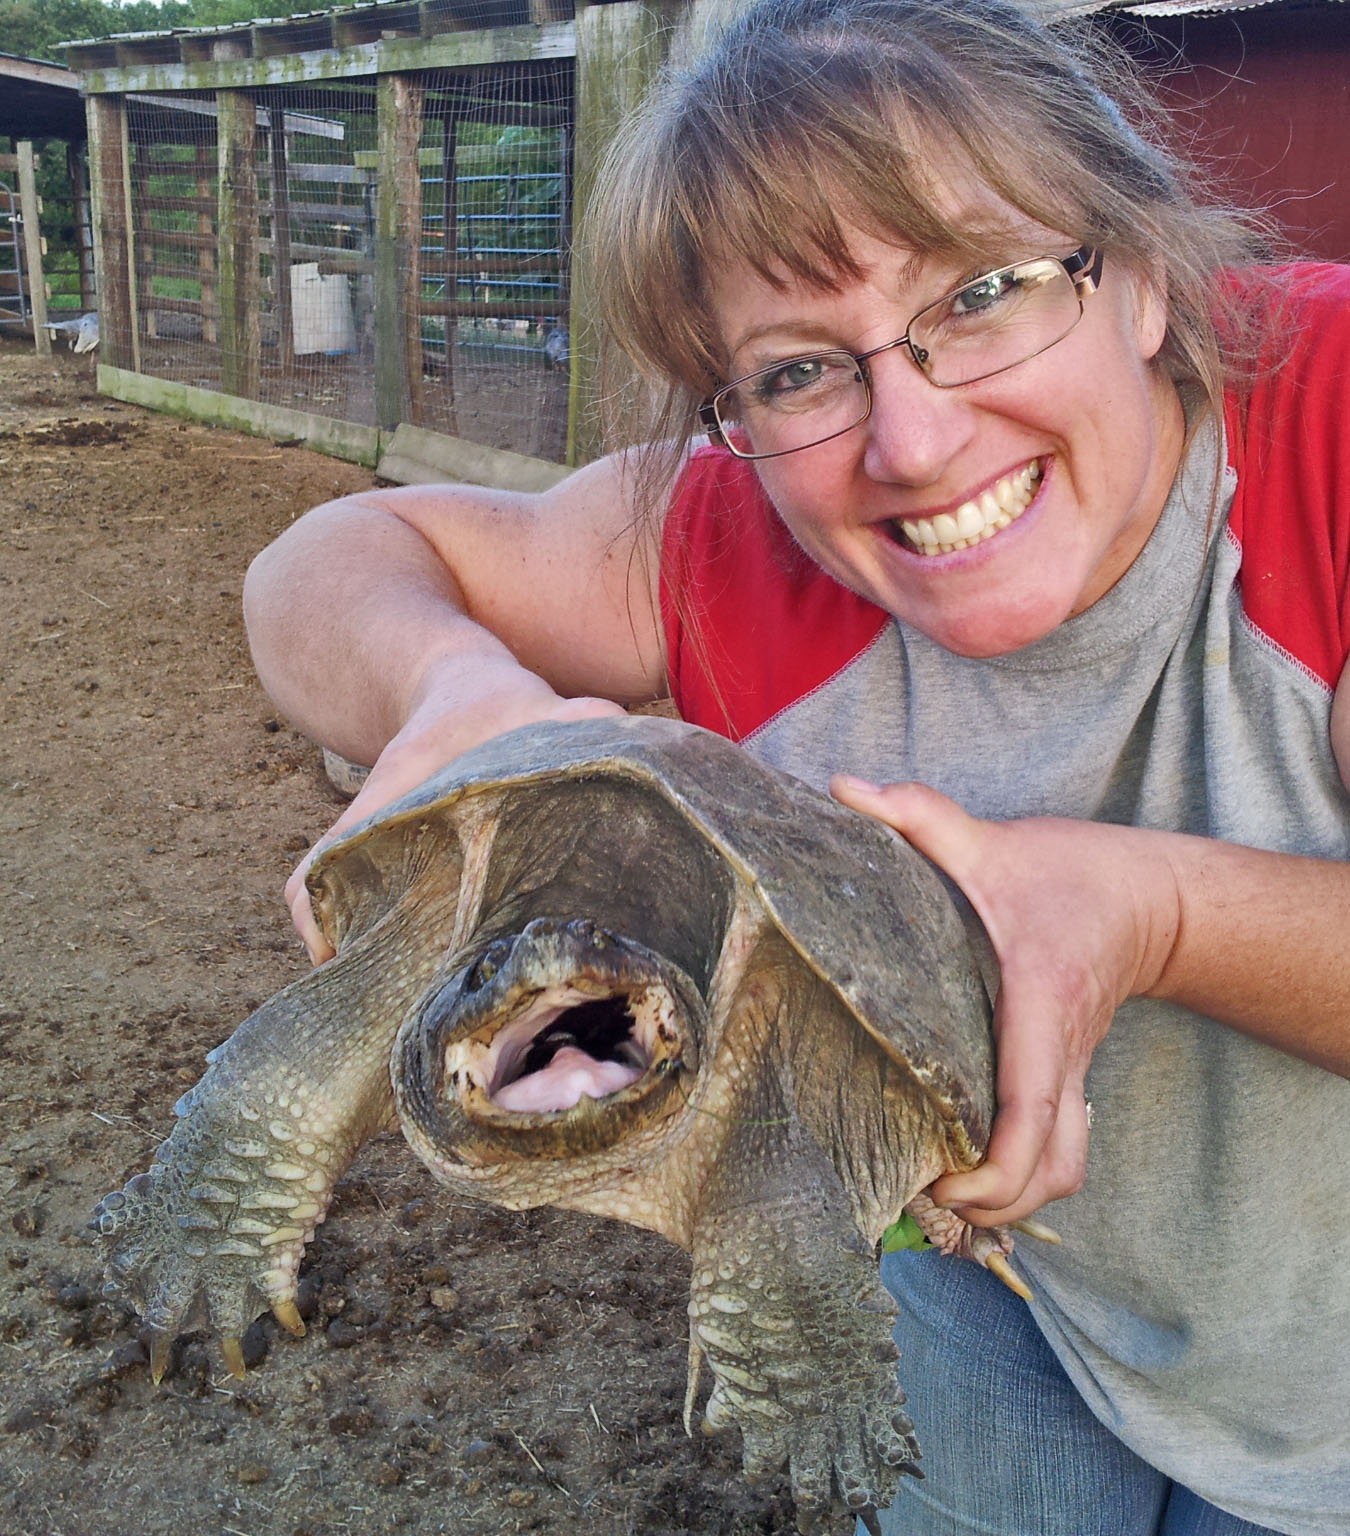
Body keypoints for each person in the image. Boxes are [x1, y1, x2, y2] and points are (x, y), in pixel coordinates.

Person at [242, 1, 1350, 1531]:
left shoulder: (1325, 444)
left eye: (982, 292)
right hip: (1001, 1275)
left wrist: (1155, 917)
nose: (910, 439)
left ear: (1145, 279)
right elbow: (325, 563)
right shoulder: (736, 537)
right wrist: (455, 687)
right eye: (797, 370)